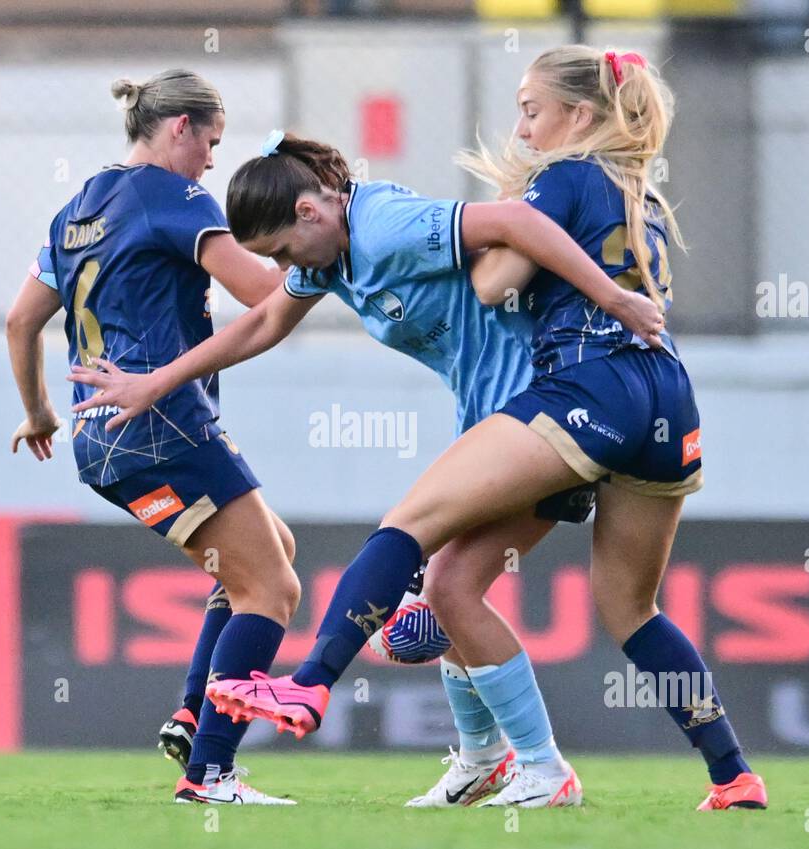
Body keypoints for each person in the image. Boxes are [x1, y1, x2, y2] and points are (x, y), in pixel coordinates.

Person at [202, 46, 766, 811]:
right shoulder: (644, 193)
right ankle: (732, 774)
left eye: (532, 110)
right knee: (609, 605)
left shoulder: (560, 178)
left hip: (586, 384)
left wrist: (503, 224)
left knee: (410, 526)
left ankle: (310, 684)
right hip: (666, 396)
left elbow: (494, 281)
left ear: (579, 116)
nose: (522, 127)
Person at [66, 123, 666, 808]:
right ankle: (497, 762)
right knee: (447, 591)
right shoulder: (328, 257)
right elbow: (262, 323)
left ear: (311, 211)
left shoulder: (383, 224)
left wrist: (614, 298)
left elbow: (515, 221)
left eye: (283, 250)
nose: (285, 267)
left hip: (540, 412)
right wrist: (157, 382)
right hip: (494, 419)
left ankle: (319, 685)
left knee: (406, 542)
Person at [5, 69, 297, 805]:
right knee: (272, 589)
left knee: (268, 557)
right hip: (163, 424)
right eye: (211, 143)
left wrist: (39, 412)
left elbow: (19, 320)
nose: (212, 162)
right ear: (180, 127)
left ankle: (195, 715)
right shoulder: (173, 196)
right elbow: (266, 294)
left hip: (99, 441)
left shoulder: (78, 208)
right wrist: (319, 250)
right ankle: (211, 774)